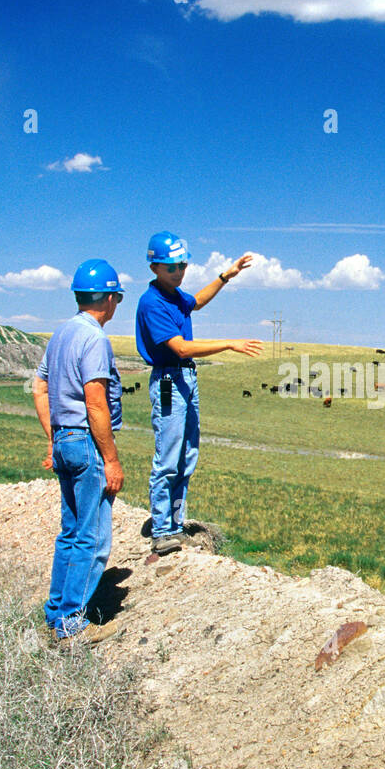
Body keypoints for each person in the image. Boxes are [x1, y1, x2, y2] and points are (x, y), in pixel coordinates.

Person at [135, 231, 264, 554]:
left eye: (182, 265)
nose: (178, 272)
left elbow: (198, 301)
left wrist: (225, 276)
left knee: (187, 455)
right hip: (169, 381)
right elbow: (180, 348)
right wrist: (229, 343)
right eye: (171, 267)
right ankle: (162, 530)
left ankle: (176, 524)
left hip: (186, 380)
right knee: (168, 455)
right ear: (155, 268)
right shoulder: (152, 303)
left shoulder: (175, 295)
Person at [32, 259, 126, 646]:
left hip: (64, 441)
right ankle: (71, 622)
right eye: (116, 297)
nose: (116, 304)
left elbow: (39, 388)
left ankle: (55, 611)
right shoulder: (94, 339)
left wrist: (53, 439)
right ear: (106, 299)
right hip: (87, 443)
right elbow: (96, 403)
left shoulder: (60, 335)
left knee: (70, 532)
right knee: (92, 537)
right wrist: (111, 459)